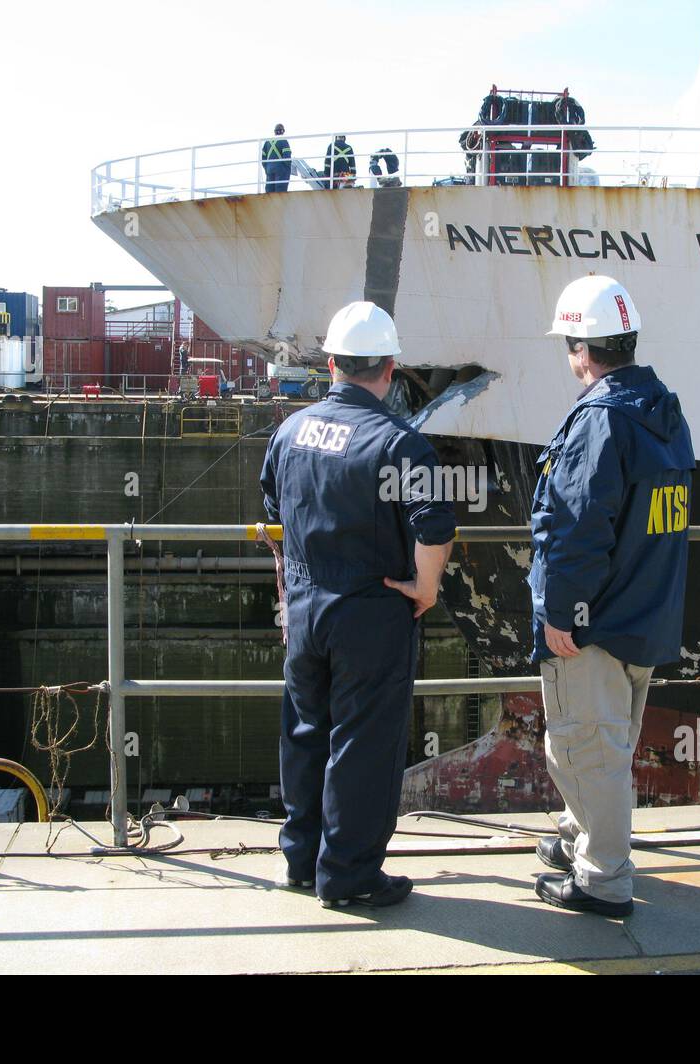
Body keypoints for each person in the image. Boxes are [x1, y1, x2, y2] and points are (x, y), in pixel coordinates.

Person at [260, 300, 455, 908]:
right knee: (363, 745)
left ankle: (301, 859)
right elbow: (435, 527)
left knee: (305, 731)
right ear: (390, 368)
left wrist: (288, 583)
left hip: (304, 606)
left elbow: (273, 515)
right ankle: (347, 874)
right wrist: (424, 588)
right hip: (368, 612)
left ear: (331, 364)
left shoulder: (290, 431)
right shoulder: (400, 443)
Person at [528, 275, 695, 918]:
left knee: (584, 747)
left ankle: (602, 878)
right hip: (643, 616)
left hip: (593, 623)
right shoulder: (662, 411)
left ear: (583, 348)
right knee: (609, 742)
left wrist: (564, 613)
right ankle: (584, 834)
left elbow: (575, 527)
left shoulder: (599, 418)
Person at [261, 124, 292, 192]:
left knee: (269, 188)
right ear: (283, 131)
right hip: (280, 169)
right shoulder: (283, 141)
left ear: (274, 131)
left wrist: (266, 168)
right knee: (280, 189)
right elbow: (287, 156)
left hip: (269, 168)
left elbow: (263, 158)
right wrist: (287, 167)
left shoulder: (267, 142)